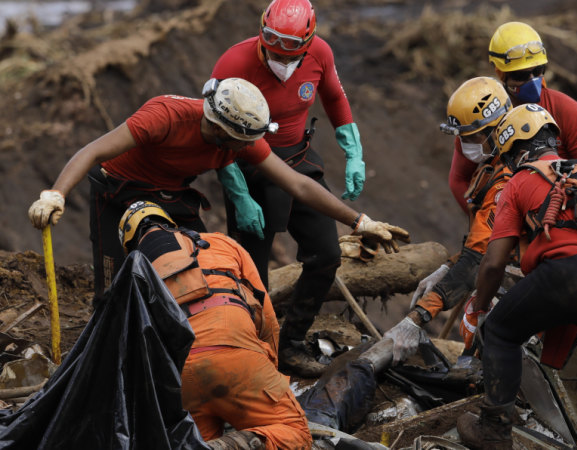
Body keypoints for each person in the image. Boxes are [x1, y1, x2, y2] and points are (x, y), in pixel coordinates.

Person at [27, 77, 408, 310]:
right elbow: (93, 150)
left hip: (173, 195)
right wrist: (55, 194)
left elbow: (297, 183)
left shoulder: (238, 140)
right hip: (117, 190)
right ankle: (107, 353)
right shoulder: (165, 115)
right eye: (233, 140)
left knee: (201, 265)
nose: (239, 148)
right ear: (219, 125)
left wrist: (360, 221)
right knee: (113, 287)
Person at [456, 104, 577, 449]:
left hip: (569, 273)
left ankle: (494, 434)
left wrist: (477, 308)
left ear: (515, 149)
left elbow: (494, 263)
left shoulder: (519, 181)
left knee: (499, 331)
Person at [210, 0, 367, 376]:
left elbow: (333, 96)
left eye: (290, 55)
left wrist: (353, 149)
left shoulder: (320, 54)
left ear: (308, 42)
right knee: (252, 273)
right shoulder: (234, 64)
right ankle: (254, 352)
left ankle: (291, 341)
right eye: (273, 53)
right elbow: (215, 132)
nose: (281, 62)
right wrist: (239, 194)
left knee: (326, 254)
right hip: (248, 168)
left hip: (298, 161)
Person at [118, 201, 310, 450]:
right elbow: (266, 316)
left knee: (196, 444)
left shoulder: (132, 276)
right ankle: (230, 446)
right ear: (170, 224)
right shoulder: (220, 243)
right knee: (295, 433)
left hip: (181, 380)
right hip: (237, 356)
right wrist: (266, 369)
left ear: (130, 246)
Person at [384, 76, 513, 363]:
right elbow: (481, 242)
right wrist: (447, 267)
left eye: (470, 138)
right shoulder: (494, 166)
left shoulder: (509, 179)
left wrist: (417, 319)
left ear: (496, 130)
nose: (464, 145)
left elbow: (480, 258)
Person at [449, 21, 577, 215]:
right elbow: (458, 179)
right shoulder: (480, 115)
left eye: (538, 72)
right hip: (502, 213)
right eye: (521, 75)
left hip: (558, 215)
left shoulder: (569, 113)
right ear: (499, 72)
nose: (532, 80)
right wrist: (480, 223)